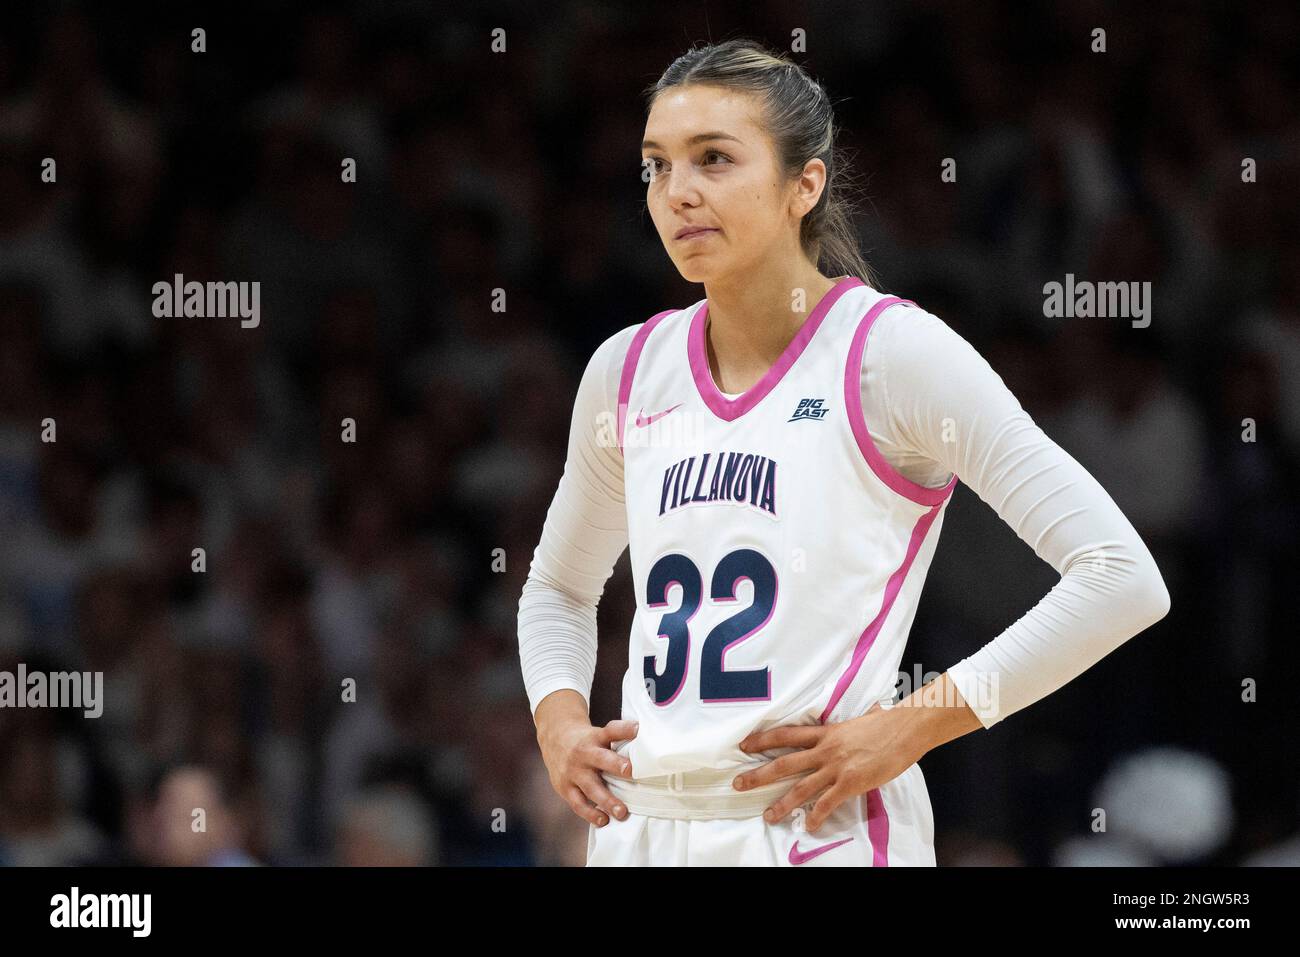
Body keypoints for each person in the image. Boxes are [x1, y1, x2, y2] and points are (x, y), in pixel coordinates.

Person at [517, 39, 1170, 867]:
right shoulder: (626, 369)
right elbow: (559, 588)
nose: (678, 192)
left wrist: (913, 724)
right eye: (656, 165)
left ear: (806, 183)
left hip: (818, 830)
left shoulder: (890, 355)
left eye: (714, 159)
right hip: (645, 832)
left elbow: (1120, 575)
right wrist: (558, 718)